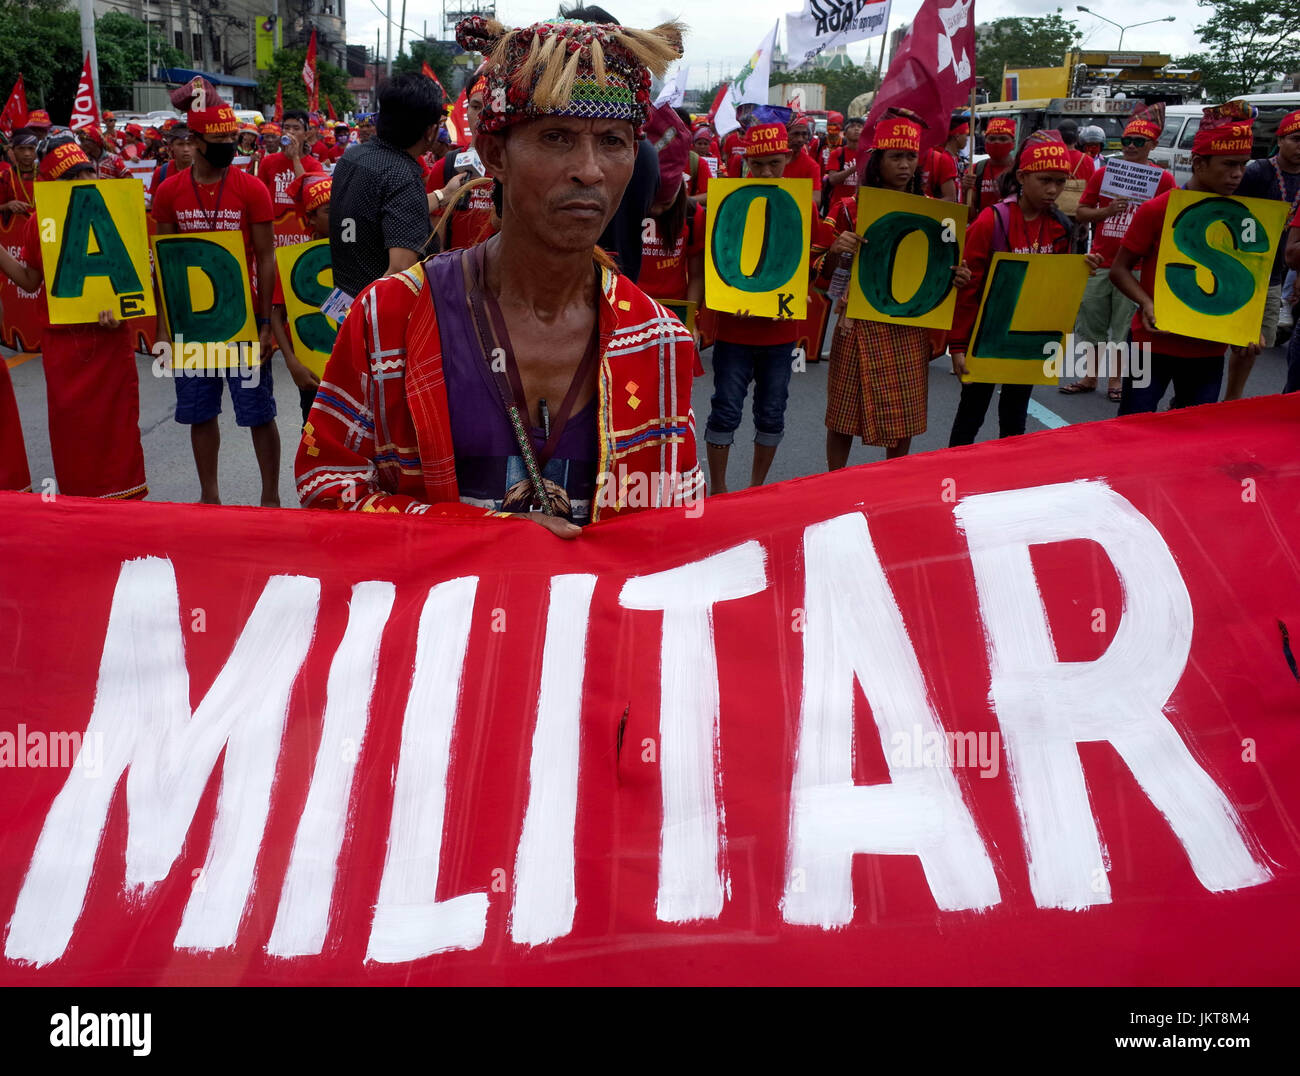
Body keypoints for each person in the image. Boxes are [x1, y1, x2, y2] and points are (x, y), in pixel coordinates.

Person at [297, 13, 702, 534]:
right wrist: (490, 536)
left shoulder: (659, 345)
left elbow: (678, 533)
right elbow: (326, 483)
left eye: (613, 141)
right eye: (557, 137)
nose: (590, 169)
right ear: (494, 155)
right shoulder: (389, 317)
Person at [152, 78, 279, 506]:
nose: (228, 144)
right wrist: (164, 329)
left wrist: (266, 325)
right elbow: (164, 265)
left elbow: (266, 258)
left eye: (232, 137)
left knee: (259, 414)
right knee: (200, 413)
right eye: (219, 138)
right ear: (194, 140)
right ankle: (210, 497)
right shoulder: (169, 192)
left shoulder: (251, 189)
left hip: (243, 326)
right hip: (193, 326)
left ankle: (270, 498)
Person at [820, 109, 971, 465]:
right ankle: (833, 482)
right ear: (878, 161)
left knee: (904, 416)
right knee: (842, 415)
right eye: (896, 157)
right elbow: (821, 275)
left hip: (908, 325)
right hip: (857, 324)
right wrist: (835, 250)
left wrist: (960, 276)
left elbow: (947, 270)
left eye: (910, 157)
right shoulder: (847, 209)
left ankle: (893, 479)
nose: (905, 165)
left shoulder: (934, 213)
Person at [0, 138, 147, 499]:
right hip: (64, 346)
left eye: (86, 171)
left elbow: (134, 285)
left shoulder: (117, 213)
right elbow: (31, 280)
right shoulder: (40, 223)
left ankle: (124, 506)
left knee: (117, 430)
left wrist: (123, 308)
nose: (82, 179)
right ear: (53, 184)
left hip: (110, 341)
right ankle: (81, 508)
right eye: (70, 176)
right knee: (73, 432)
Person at [948, 131, 1103, 446]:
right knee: (971, 414)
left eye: (1060, 182)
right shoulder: (990, 222)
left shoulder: (1061, 227)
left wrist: (1082, 269)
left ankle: (1008, 482)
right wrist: (959, 345)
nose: (1052, 190)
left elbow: (1058, 289)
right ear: (1022, 176)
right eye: (1045, 180)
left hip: (1031, 338)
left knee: (1015, 418)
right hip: (988, 335)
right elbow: (969, 289)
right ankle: (954, 480)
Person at [705, 110, 830, 492]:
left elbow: (817, 268)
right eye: (757, 165)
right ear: (745, 163)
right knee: (724, 409)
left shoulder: (802, 207)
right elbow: (714, 265)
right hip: (734, 330)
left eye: (774, 164)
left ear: (787, 161)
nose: (766, 173)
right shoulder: (726, 202)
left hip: (780, 335)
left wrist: (835, 252)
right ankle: (720, 489)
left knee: (772, 414)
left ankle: (757, 487)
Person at [1110, 102, 1262, 414]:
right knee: (1131, 429)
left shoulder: (1248, 218)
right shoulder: (1157, 209)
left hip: (1208, 350)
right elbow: (1119, 270)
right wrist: (1147, 303)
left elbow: (1250, 279)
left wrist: (1248, 326)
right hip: (1151, 344)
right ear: (1198, 163)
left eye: (1243, 165)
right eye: (1228, 164)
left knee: (1193, 436)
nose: (1237, 175)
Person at [1061, 103, 1175, 400]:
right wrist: (1108, 211)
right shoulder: (1104, 174)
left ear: (1153, 145)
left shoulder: (1164, 180)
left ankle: (1115, 382)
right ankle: (1089, 377)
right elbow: (1082, 212)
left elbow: (1172, 222)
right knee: (1092, 324)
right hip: (1100, 262)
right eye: (1126, 141)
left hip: (1136, 268)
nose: (1131, 147)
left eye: (1139, 142)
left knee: (1125, 329)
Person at [329, 72, 442, 301]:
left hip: (343, 302)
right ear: (430, 131)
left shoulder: (352, 157)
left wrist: (444, 194)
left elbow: (385, 213)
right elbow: (400, 271)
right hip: (375, 322)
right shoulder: (401, 175)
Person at [1233, 108, 1300, 396]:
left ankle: (1231, 399)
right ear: (1280, 139)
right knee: (1220, 338)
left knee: (1253, 345)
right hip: (1238, 269)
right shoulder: (1257, 172)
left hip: (1273, 276)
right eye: (1296, 139)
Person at [271, 173, 331, 425]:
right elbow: (276, 315)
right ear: (311, 218)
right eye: (330, 210)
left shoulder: (358, 252)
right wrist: (292, 363)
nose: (339, 215)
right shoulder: (293, 262)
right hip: (312, 371)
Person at [259, 109, 326, 246]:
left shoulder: (314, 166)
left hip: (302, 233)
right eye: (287, 127)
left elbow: (308, 196)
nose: (291, 132)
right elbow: (261, 198)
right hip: (275, 232)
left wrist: (295, 158)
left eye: (296, 128)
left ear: (306, 134)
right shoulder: (268, 161)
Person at [963, 117, 1016, 213]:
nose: (996, 142)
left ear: (1013, 144)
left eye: (1003, 139)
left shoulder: (1022, 171)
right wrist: (966, 190)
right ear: (985, 142)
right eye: (991, 138)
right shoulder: (974, 171)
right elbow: (969, 215)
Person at [919, 113, 968, 201]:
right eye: (966, 134)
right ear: (957, 136)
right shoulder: (946, 159)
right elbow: (951, 198)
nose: (967, 138)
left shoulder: (956, 159)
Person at [824, 116, 863, 216]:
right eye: (853, 126)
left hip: (861, 207)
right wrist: (854, 168)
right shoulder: (837, 153)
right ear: (844, 134)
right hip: (838, 207)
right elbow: (832, 179)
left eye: (860, 126)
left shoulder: (868, 155)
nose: (857, 129)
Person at [0, 127, 38, 216]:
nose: (27, 153)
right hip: (14, 228)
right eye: (21, 148)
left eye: (31, 148)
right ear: (13, 150)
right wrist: (7, 206)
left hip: (41, 227)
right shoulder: (4, 177)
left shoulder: (47, 175)